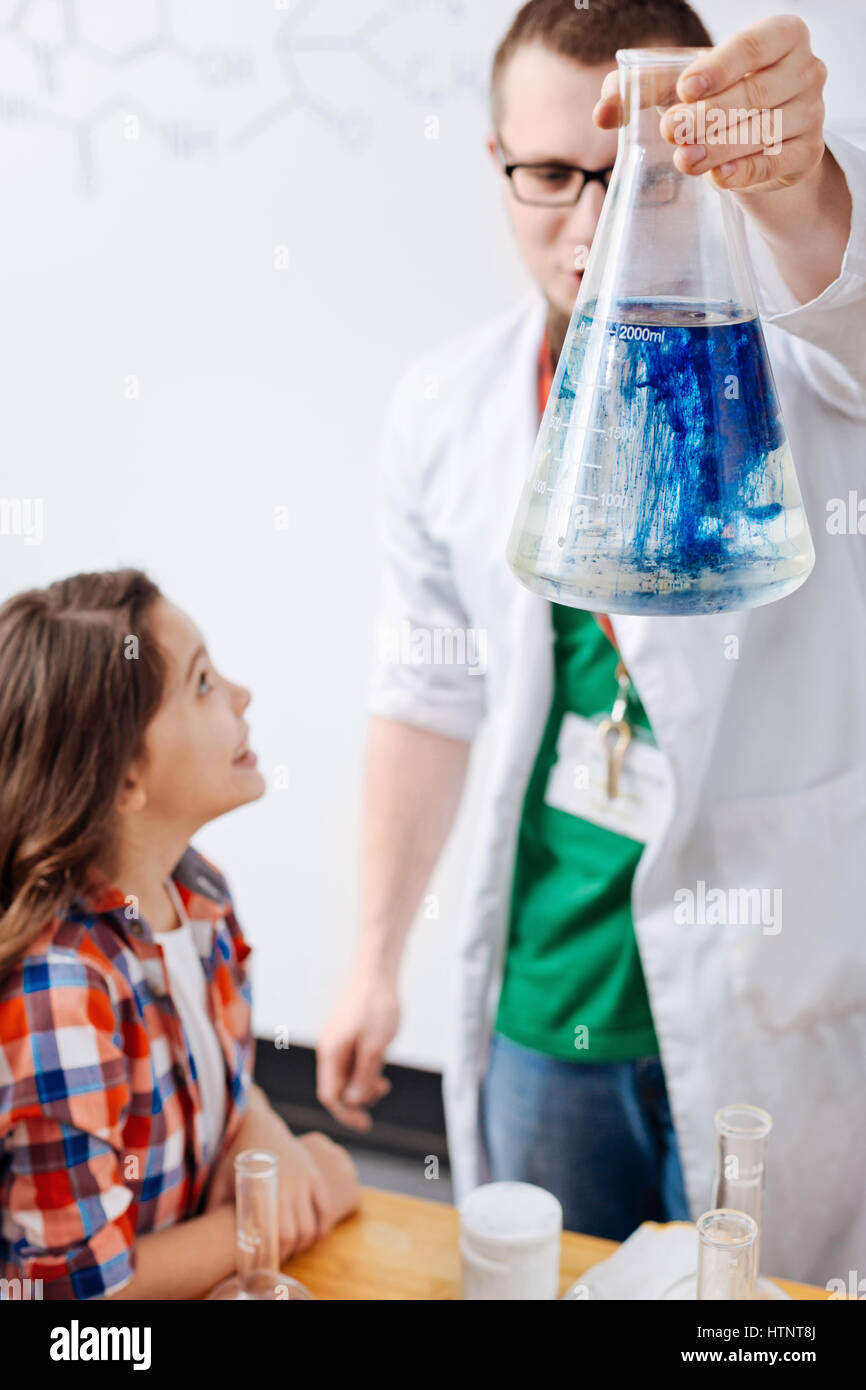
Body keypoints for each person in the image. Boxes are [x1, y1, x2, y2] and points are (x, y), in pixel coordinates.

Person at [317, 0, 866, 1283]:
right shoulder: (444, 405)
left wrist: (799, 183)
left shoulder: (793, 364)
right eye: (553, 174)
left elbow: (850, 306)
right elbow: (423, 692)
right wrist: (371, 959)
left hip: (763, 983)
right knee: (540, 1287)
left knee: (749, 1318)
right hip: (546, 1000)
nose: (592, 219)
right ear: (499, 163)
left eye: (639, 178)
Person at [0, 569, 360, 1299]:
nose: (241, 696)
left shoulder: (196, 893)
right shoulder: (62, 995)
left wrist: (262, 1133)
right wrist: (278, 1206)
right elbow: (76, 1300)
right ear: (127, 776)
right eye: (202, 684)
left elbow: (210, 1088)